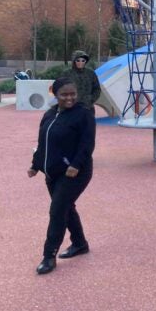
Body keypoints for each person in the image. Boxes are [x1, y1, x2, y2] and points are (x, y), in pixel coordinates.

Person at [28, 76, 96, 275]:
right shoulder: (49, 114)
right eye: (64, 94)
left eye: (72, 94)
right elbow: (43, 142)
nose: (69, 98)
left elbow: (87, 144)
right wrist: (35, 165)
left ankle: (49, 256)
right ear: (55, 94)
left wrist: (76, 165)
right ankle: (80, 243)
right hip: (53, 172)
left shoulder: (84, 114)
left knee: (57, 210)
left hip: (75, 172)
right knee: (66, 207)